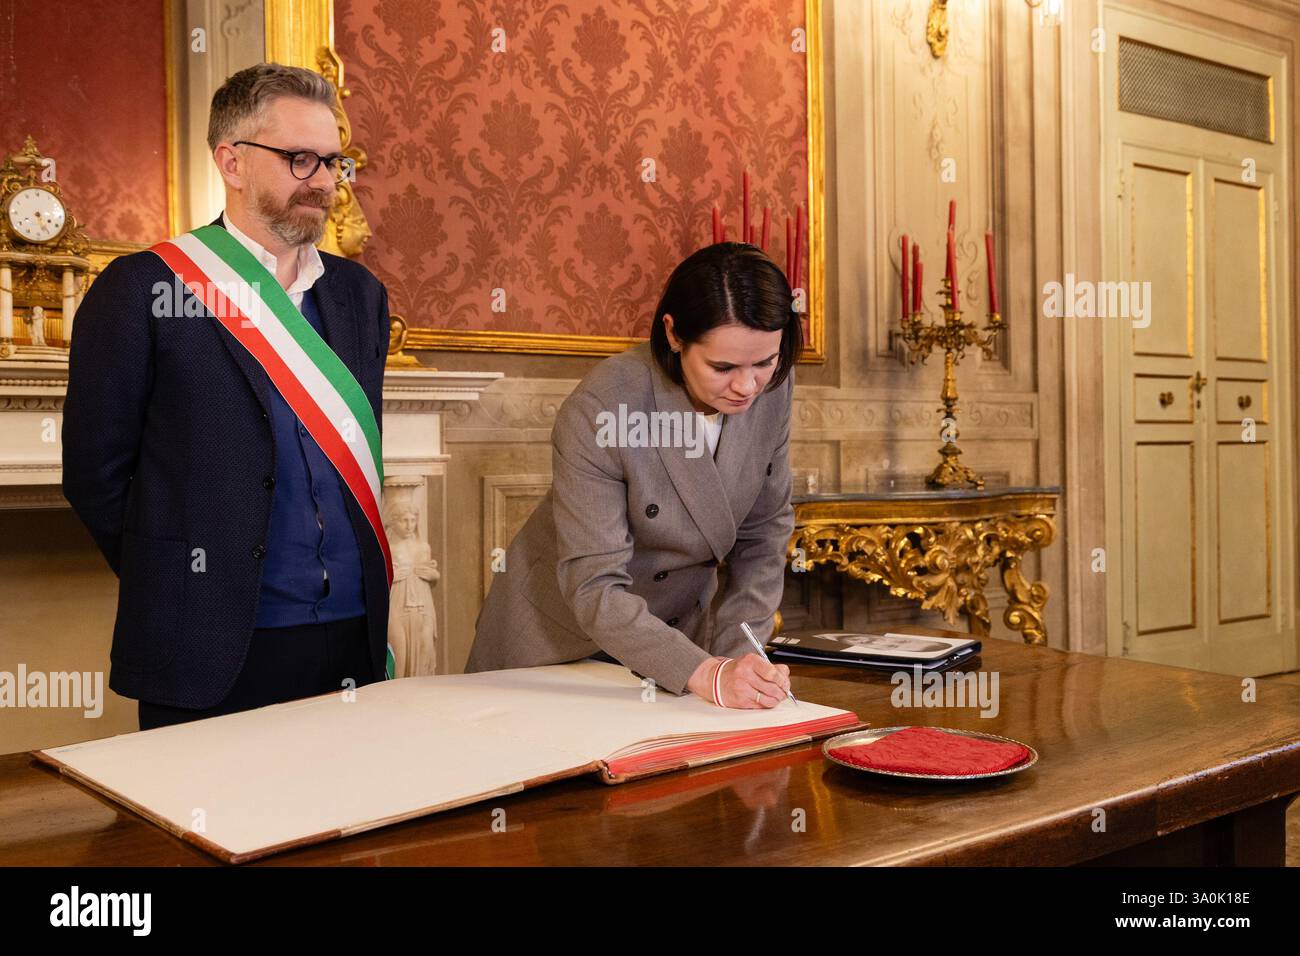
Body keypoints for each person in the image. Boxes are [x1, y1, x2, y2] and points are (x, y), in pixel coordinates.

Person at [62, 63, 393, 729]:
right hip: (211, 645)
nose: (324, 182)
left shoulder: (361, 297)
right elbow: (94, 475)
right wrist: (181, 578)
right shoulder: (142, 288)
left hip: (350, 634)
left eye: (334, 162)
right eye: (300, 159)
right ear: (232, 162)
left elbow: (360, 449)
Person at [467, 242, 800, 708]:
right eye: (722, 367)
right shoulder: (604, 405)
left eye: (764, 362)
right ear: (673, 334)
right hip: (558, 645)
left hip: (677, 640)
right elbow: (594, 583)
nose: (747, 386)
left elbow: (764, 535)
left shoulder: (774, 389)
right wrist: (707, 673)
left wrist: (741, 659)